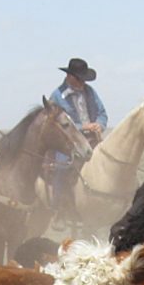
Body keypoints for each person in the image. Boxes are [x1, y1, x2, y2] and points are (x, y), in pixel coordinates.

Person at [46, 57, 106, 213]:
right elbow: (55, 125)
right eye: (80, 79)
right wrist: (83, 127)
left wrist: (99, 124)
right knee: (62, 165)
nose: (83, 83)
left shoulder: (90, 92)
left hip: (93, 138)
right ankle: (58, 208)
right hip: (68, 142)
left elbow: (102, 113)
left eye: (84, 79)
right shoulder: (57, 97)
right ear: (69, 77)